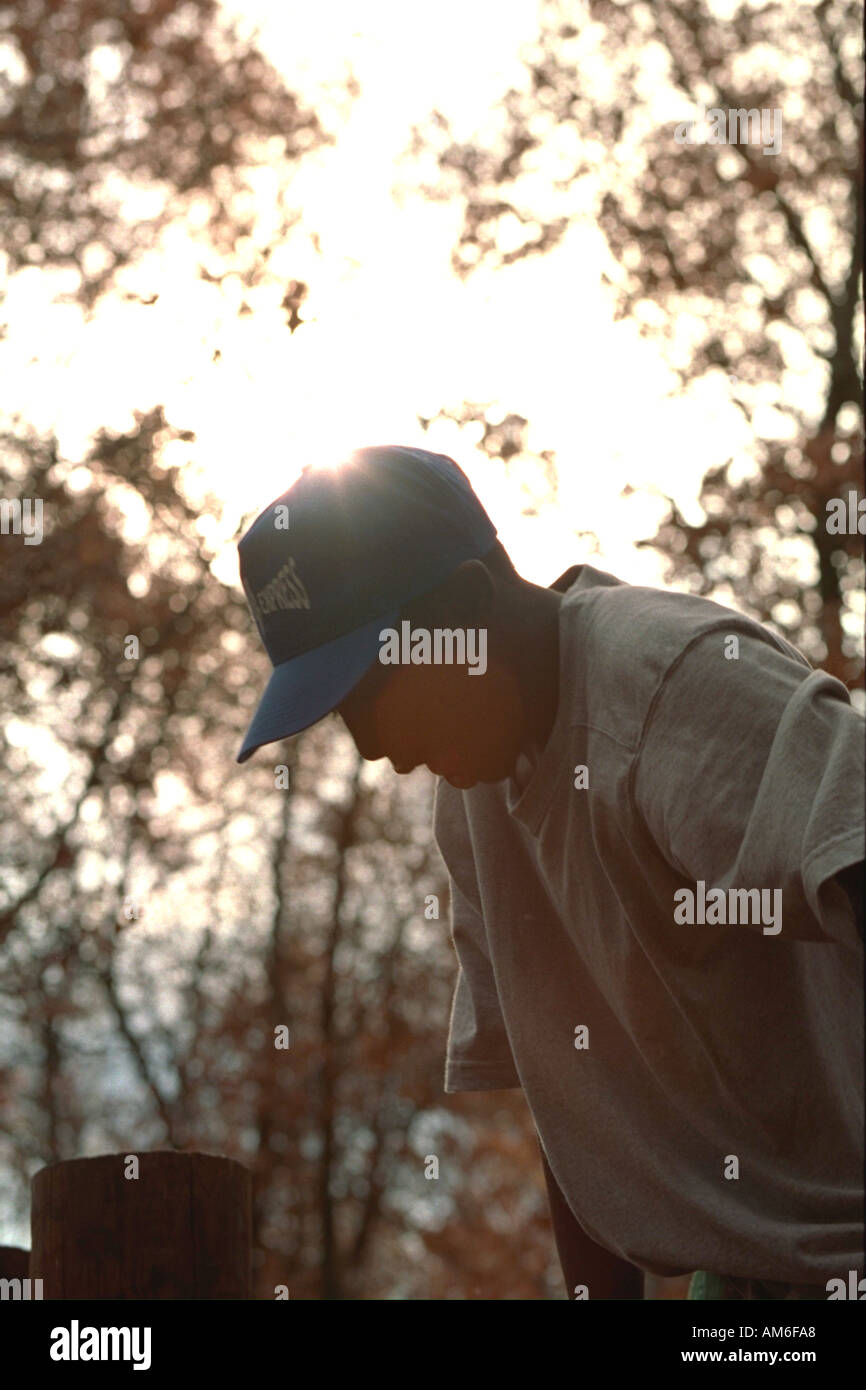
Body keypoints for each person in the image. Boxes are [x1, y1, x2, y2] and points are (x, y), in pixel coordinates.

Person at [235, 444, 865, 1300]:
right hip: (753, 1283)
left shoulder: (671, 685)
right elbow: (575, 1107)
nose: (375, 749)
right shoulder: (473, 803)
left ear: (463, 606)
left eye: (369, 694)